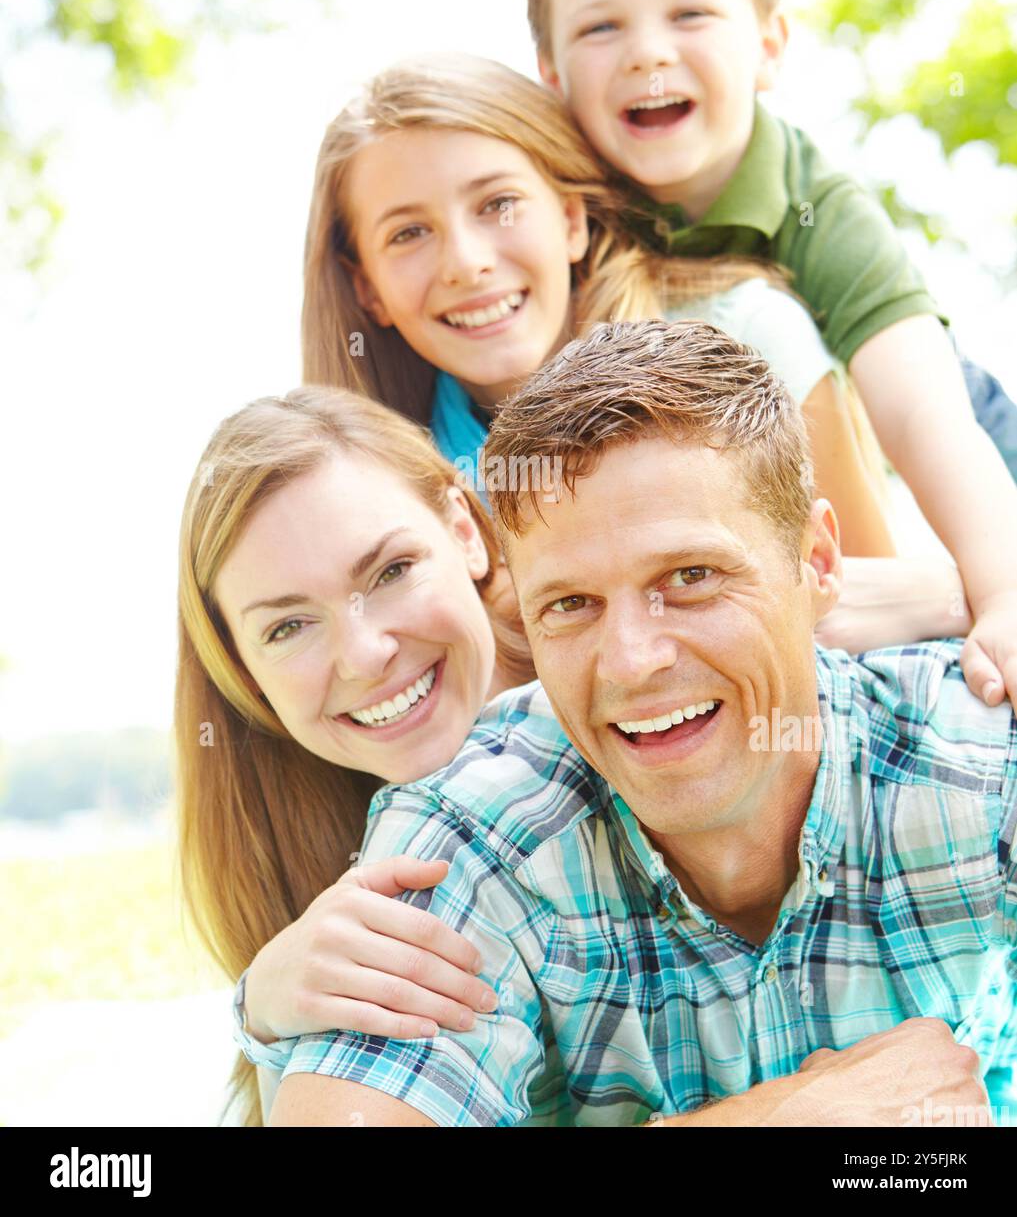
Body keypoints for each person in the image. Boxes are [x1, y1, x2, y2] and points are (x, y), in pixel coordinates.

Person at [265, 321, 1015, 1128]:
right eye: (570, 604)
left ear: (818, 565)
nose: (628, 662)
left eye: (690, 577)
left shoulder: (974, 762)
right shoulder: (478, 832)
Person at [523, 0, 1017, 710]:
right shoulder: (553, 209)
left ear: (767, 46)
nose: (646, 52)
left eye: (689, 13)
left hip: (944, 430)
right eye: (601, 27)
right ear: (552, 74)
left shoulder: (813, 198)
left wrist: (1002, 590)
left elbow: (920, 412)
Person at [301, 51, 894, 556]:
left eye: (497, 204)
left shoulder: (751, 340)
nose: (465, 262)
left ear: (570, 219)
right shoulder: (393, 485)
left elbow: (879, 610)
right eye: (408, 234)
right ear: (368, 289)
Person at [174, 386, 533, 1125]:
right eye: (289, 627)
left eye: (391, 571)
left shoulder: (627, 696)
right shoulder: (296, 841)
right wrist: (265, 1017)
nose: (365, 656)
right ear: (244, 672)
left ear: (465, 531)